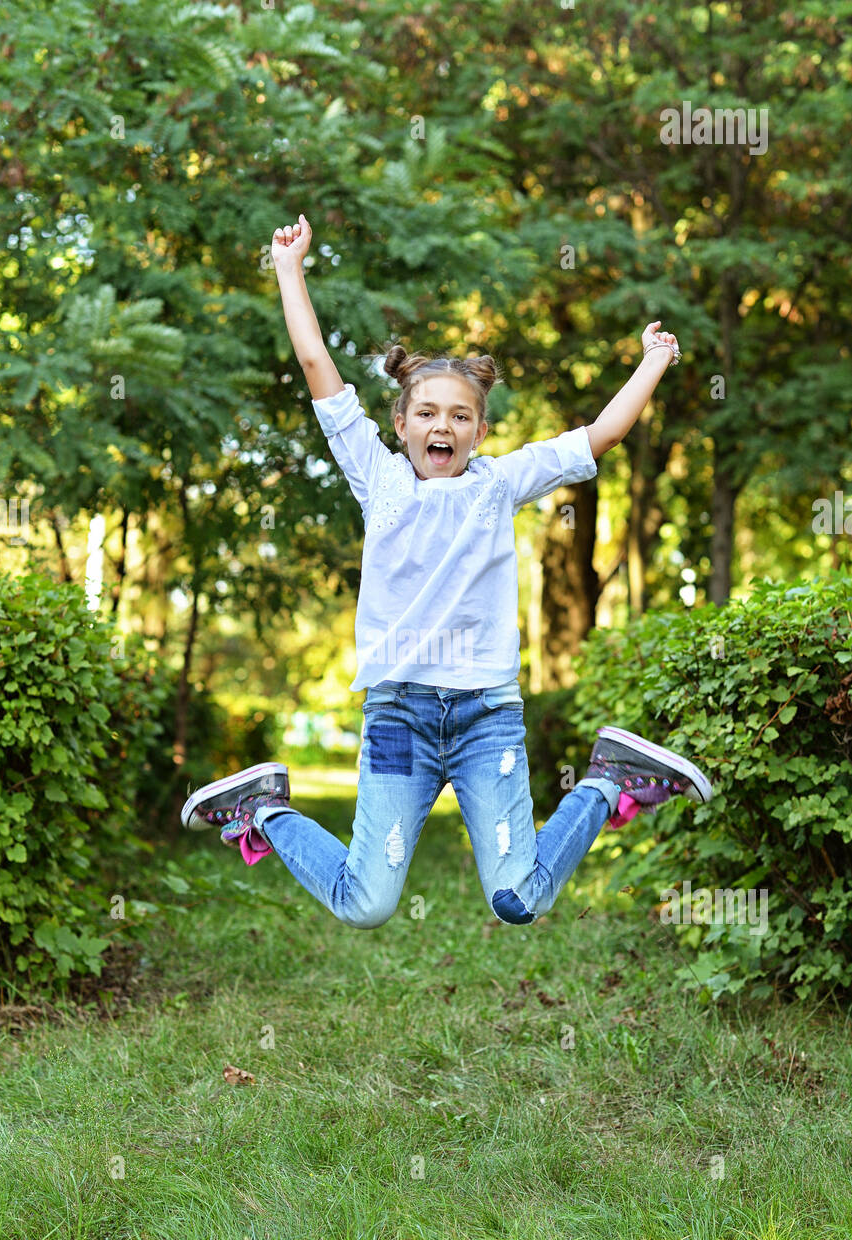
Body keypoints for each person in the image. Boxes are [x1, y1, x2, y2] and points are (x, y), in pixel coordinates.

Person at [180, 214, 712, 928]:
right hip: (398, 714)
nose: (443, 426)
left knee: (519, 899)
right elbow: (316, 367)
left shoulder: (497, 482)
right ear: (398, 424)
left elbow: (601, 435)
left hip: (484, 718)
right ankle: (266, 810)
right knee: (364, 904)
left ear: (479, 432)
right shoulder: (378, 476)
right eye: (426, 412)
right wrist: (287, 268)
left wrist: (653, 359)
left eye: (460, 416)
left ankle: (606, 780)